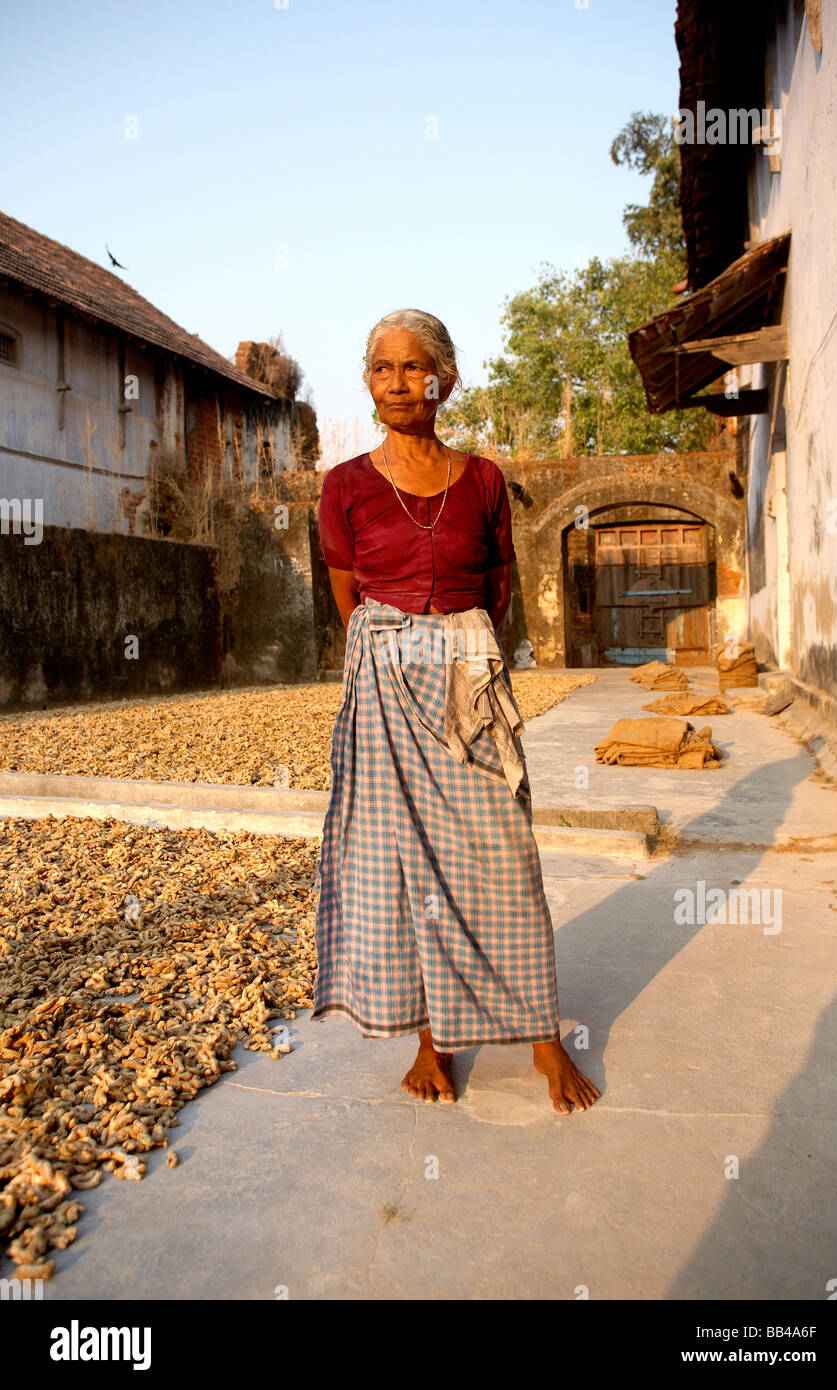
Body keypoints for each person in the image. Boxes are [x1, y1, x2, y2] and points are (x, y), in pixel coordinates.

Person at [313, 308, 600, 1116]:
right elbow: (348, 593)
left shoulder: (481, 480)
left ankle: (543, 1037)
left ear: (445, 378)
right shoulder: (344, 486)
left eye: (412, 367)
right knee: (403, 868)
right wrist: (398, 659)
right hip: (385, 688)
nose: (396, 381)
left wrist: (454, 653)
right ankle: (432, 1041)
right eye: (380, 367)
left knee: (505, 850)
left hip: (466, 681)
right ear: (367, 381)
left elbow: (499, 588)